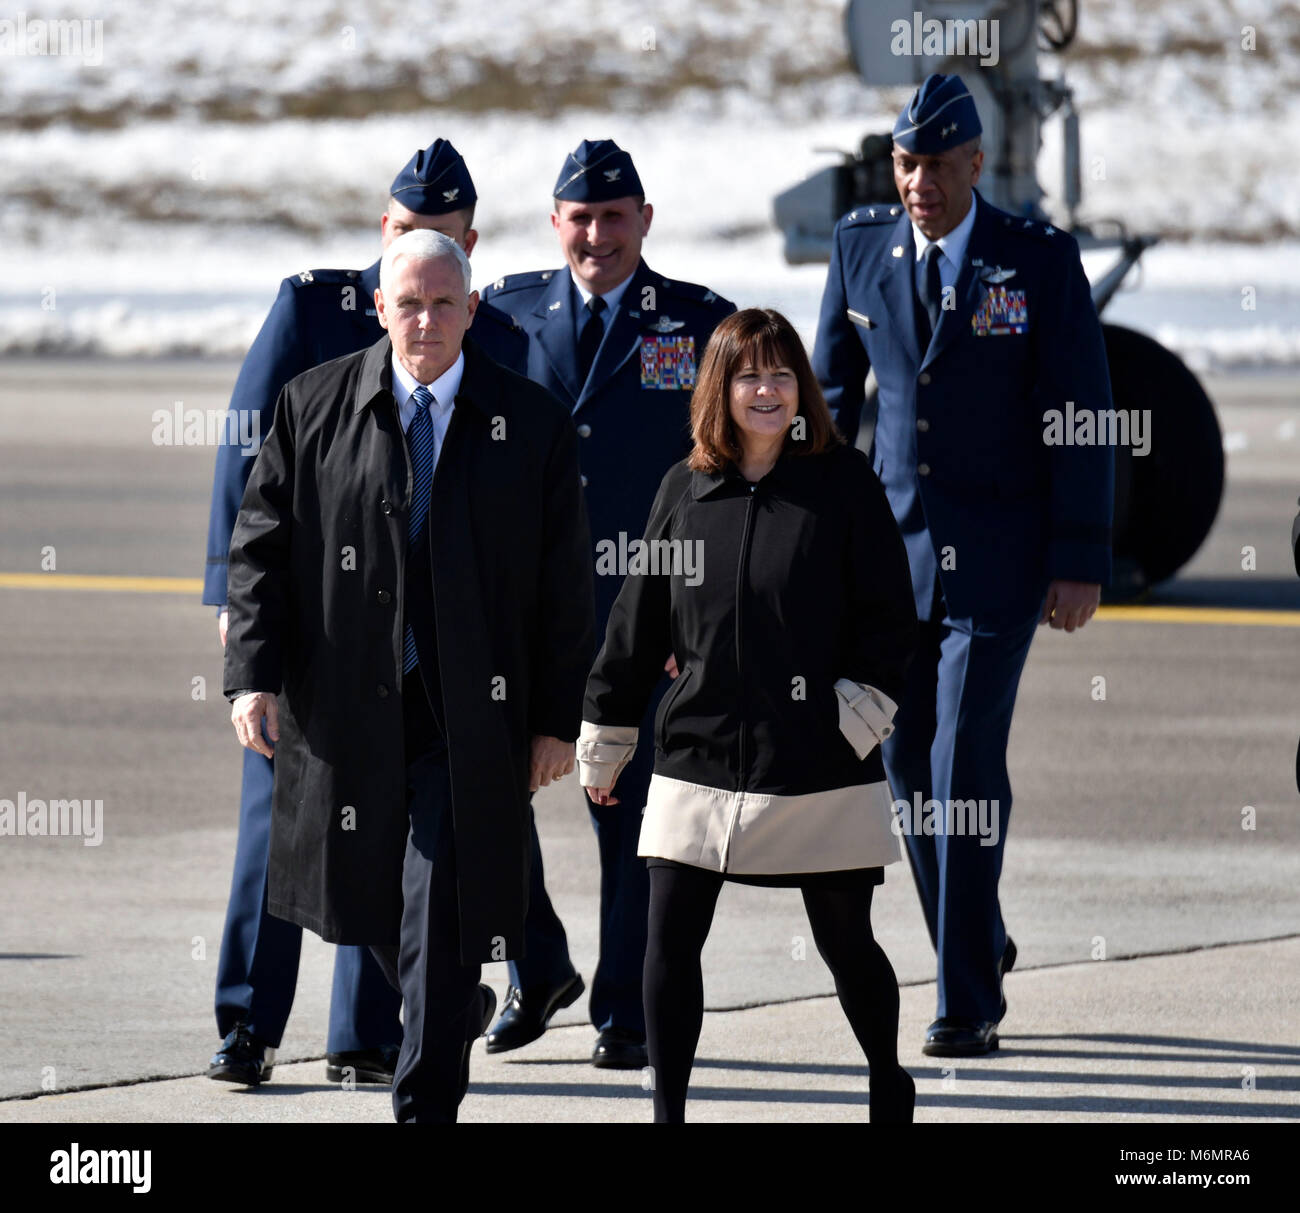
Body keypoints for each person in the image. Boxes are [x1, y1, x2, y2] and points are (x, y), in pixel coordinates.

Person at [223, 229, 595, 1122]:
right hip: (346, 705)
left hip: (468, 711)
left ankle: (424, 1102)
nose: (426, 321)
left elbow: (564, 586)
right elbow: (261, 549)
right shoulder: (313, 405)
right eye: (409, 303)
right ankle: (452, 999)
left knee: (439, 899)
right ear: (380, 308)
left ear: (473, 309)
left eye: (443, 303)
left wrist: (555, 719)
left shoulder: (529, 423)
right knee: (357, 899)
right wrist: (251, 676)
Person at [202, 138, 526, 1087]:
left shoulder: (491, 332)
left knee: (393, 837)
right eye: (404, 232)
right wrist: (235, 603)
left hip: (423, 644)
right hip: (317, 633)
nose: (419, 252)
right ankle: (247, 1026)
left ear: (472, 243)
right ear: (381, 232)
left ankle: (368, 1034)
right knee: (278, 826)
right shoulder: (312, 307)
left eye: (441, 237)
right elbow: (244, 450)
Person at [813, 73, 1115, 1057]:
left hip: (1000, 560)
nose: (918, 182)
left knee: (959, 759)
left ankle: (965, 996)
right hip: (891, 564)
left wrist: (1078, 556)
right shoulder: (859, 247)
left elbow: (1081, 415)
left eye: (937, 164)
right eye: (905, 163)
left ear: (976, 165)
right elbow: (827, 402)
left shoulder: (1033, 261)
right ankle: (974, 930)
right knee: (900, 757)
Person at [578, 308, 919, 1123]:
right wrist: (608, 730)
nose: (765, 390)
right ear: (719, 390)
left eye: (779, 374)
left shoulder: (845, 483)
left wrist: (855, 718)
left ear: (801, 388)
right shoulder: (683, 489)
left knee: (847, 944)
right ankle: (668, 1109)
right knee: (667, 942)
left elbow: (891, 620)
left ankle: (886, 1077)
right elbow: (637, 621)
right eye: (747, 375)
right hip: (695, 756)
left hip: (817, 760)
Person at [480, 140, 736, 1069]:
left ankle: (624, 1007)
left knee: (627, 812)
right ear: (556, 224)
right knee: (491, 803)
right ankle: (537, 965)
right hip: (528, 614)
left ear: (645, 221)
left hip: (639, 621)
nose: (596, 234)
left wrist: (690, 614)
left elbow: (716, 480)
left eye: (614, 216)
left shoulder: (699, 324)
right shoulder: (503, 316)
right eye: (580, 218)